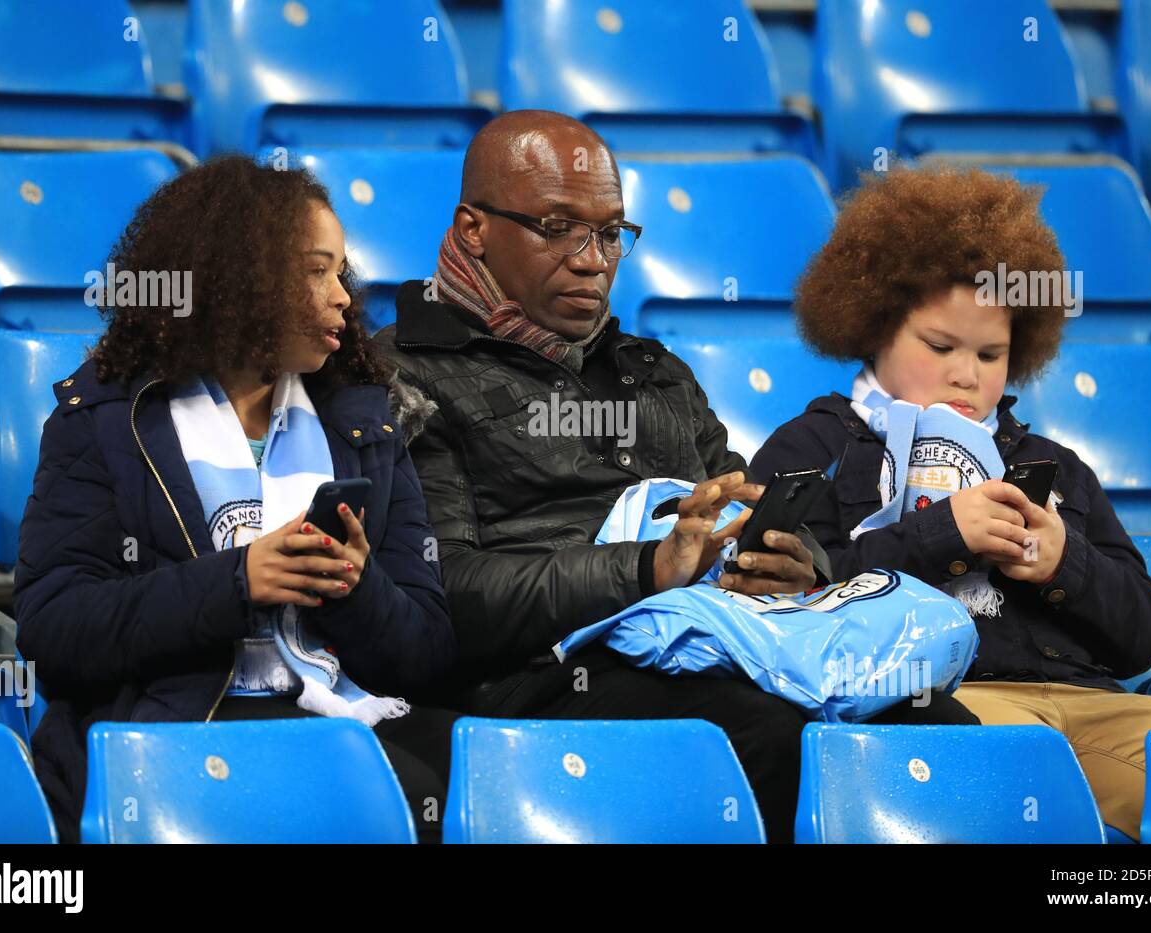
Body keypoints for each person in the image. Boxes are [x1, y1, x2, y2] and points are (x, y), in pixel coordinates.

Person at [375, 111, 977, 843]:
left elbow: (745, 514)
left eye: (609, 234)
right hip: (537, 671)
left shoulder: (655, 373)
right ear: (474, 228)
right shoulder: (404, 374)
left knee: (940, 725)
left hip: (713, 640)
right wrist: (646, 570)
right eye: (557, 226)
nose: (592, 259)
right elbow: (443, 597)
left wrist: (793, 566)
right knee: (763, 734)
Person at [751, 164, 1151, 839]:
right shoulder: (815, 445)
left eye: (991, 353)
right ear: (873, 327)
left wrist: (1068, 564)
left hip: (1092, 702)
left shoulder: (1055, 465)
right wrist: (942, 534)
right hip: (945, 701)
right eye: (940, 345)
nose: (965, 374)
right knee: (1021, 797)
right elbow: (788, 609)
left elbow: (1144, 638)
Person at [14, 156, 458, 843]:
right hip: (177, 720)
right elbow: (55, 631)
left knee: (462, 774)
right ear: (238, 280)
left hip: (335, 713)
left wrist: (357, 586)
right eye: (316, 271)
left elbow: (425, 653)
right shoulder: (103, 418)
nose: (343, 295)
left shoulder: (366, 423)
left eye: (341, 271)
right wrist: (238, 580)